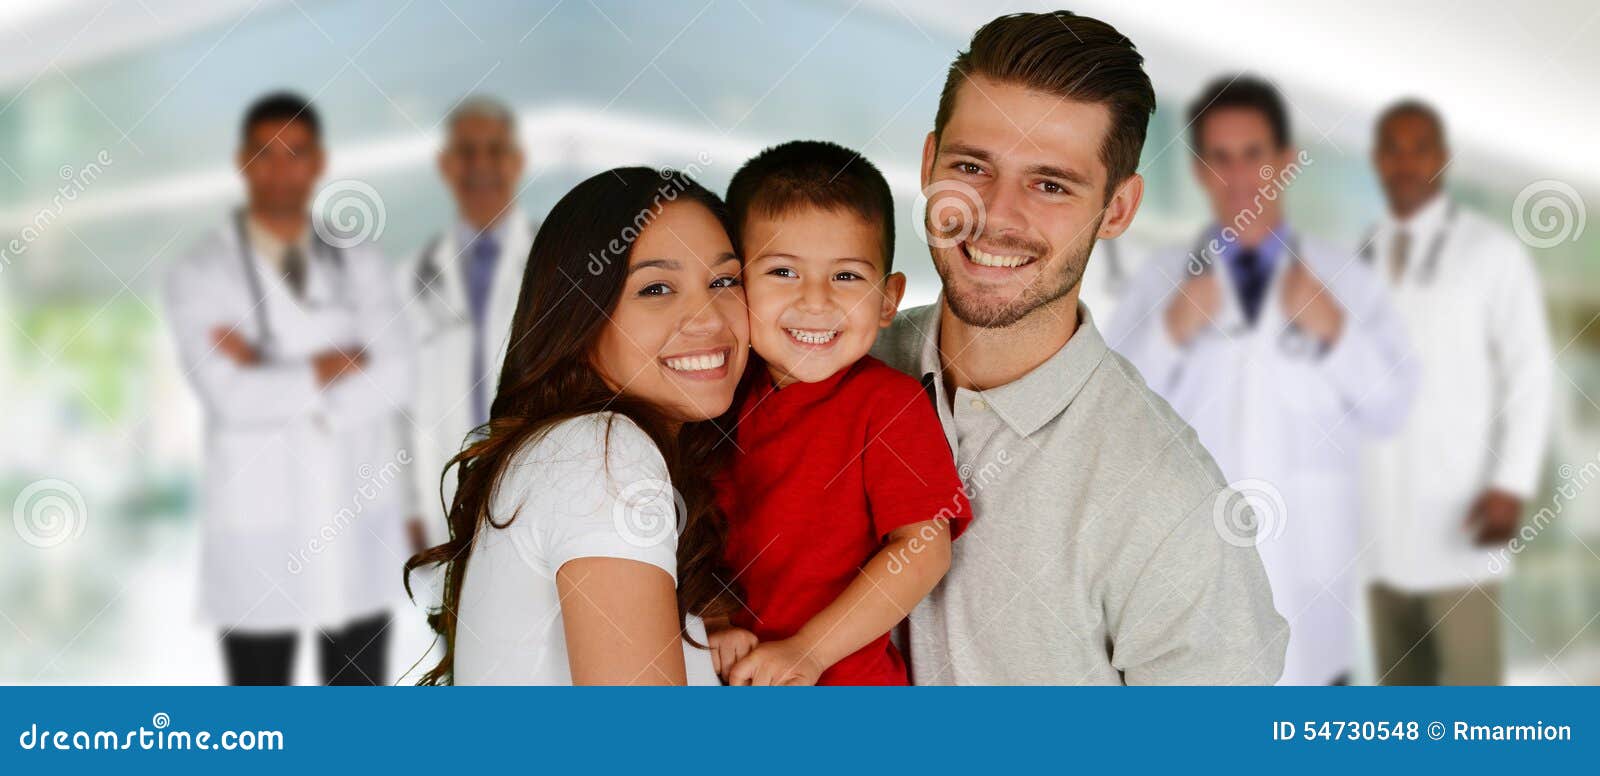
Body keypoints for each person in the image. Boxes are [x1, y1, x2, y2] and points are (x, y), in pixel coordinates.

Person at [871, 11, 1287, 685]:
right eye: (972, 166)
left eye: (1050, 184)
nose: (995, 214)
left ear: (1117, 210)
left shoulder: (1168, 502)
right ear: (928, 164)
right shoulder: (824, 369)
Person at [1106, 77, 1416, 685]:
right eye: (1219, 157)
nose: (1238, 175)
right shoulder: (1161, 280)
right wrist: (1171, 330)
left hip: (1312, 551)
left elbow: (1395, 407)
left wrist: (1337, 332)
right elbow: (1114, 408)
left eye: (1254, 155)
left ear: (1286, 162)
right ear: (1198, 169)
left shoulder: (1346, 279)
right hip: (1194, 551)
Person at [405, 168, 750, 685]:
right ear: (578, 318)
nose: (709, 319)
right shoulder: (603, 450)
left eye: (724, 281)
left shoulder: (569, 450)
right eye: (656, 288)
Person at [164, 92, 415, 685]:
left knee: (354, 723)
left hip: (355, 522)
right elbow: (229, 396)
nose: (281, 171)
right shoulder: (202, 272)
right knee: (261, 725)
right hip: (260, 533)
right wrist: (335, 365)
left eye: (296, 154)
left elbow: (399, 374)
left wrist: (270, 367)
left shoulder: (361, 262)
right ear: (242, 162)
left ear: (319, 162)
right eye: (264, 155)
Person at [707, 140, 972, 686]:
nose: (816, 301)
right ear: (735, 286)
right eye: (783, 272)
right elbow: (690, 532)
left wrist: (809, 650)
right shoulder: (713, 398)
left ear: (887, 299)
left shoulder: (888, 405)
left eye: (846, 276)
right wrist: (708, 618)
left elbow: (924, 550)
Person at [1361, 100, 1553, 685]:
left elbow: (1531, 371)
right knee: (1402, 705)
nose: (1405, 162)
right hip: (1380, 531)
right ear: (1377, 160)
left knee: (1471, 706)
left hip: (1460, 521)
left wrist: (1510, 484)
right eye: (1393, 148)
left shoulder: (1491, 252)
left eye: (1420, 148)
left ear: (1442, 160)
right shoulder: (1363, 251)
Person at [399, 95, 535, 553]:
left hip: (532, 487)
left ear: (517, 162)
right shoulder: (411, 276)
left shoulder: (554, 263)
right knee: (452, 620)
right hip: (442, 499)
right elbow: (394, 406)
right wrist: (409, 506)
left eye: (495, 151)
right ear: (445, 165)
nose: (482, 166)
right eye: (467, 153)